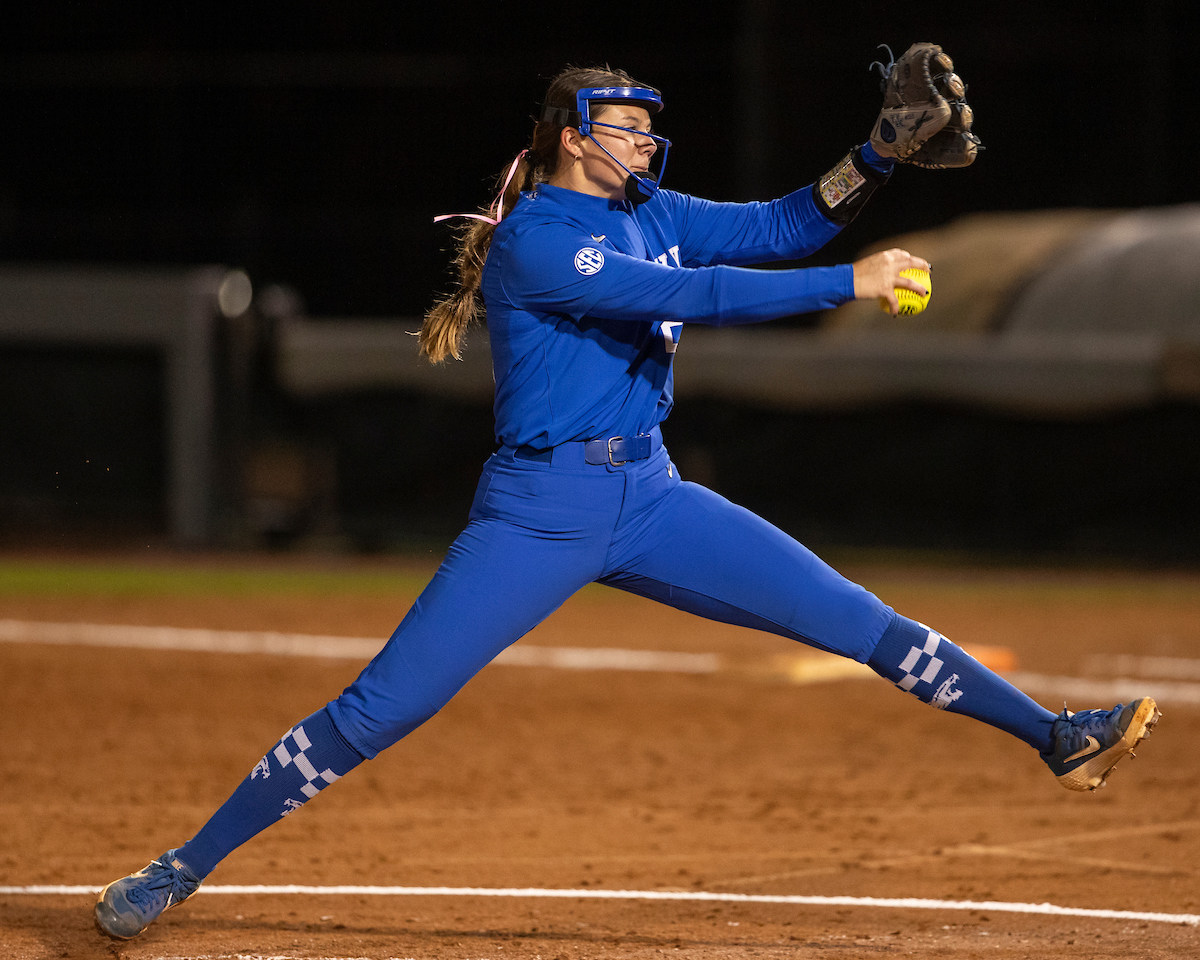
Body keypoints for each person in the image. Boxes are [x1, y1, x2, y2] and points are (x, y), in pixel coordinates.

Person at [93, 61, 1160, 942]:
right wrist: (856, 286)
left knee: (858, 620)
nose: (646, 141)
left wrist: (873, 158)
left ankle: (1055, 736)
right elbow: (697, 293)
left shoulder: (650, 208)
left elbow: (781, 225)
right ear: (570, 137)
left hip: (650, 494)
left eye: (651, 127)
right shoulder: (542, 241)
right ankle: (181, 866)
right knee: (381, 710)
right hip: (538, 512)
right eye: (625, 127)